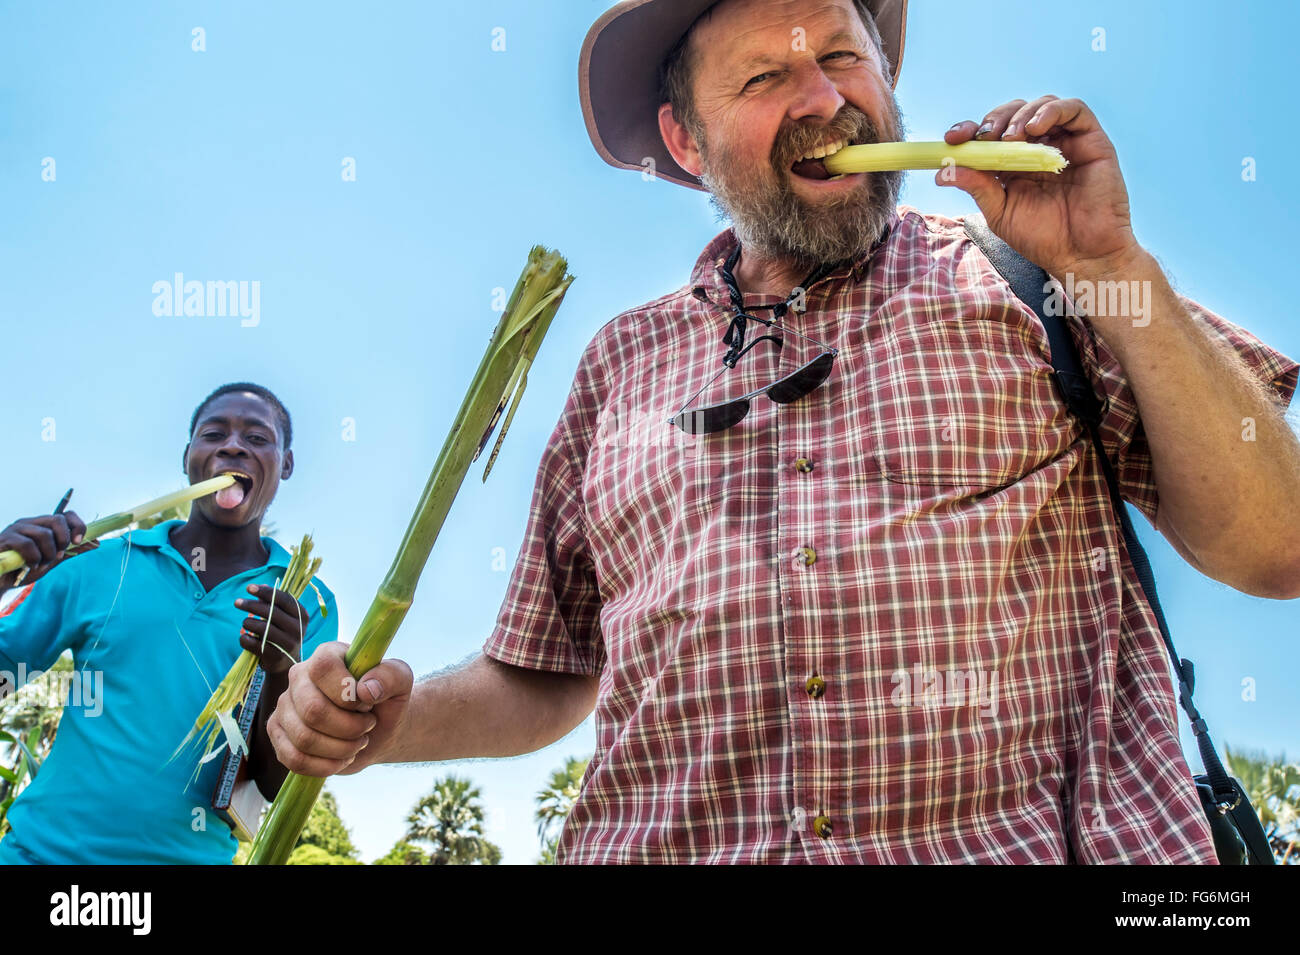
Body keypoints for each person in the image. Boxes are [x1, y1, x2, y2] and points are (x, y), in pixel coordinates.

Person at [268, 0, 1300, 863]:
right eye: (764, 79)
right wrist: (386, 720)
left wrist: (1112, 268)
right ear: (685, 140)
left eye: (844, 55)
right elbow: (546, 673)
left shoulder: (1031, 277)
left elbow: (1276, 544)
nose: (824, 97)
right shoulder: (615, 364)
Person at [0, 383, 338, 864]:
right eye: (213, 433)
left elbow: (275, 782)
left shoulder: (309, 603)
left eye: (258, 438)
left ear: (285, 463)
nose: (233, 445)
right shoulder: (97, 563)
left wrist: (282, 671)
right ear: (189, 457)